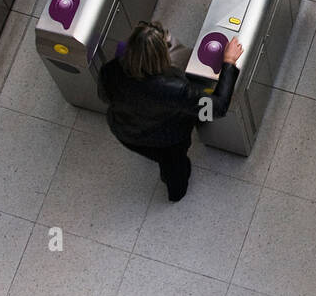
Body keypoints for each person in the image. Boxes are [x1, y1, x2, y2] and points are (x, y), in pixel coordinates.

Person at [98, 20, 241, 203]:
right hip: (166, 140)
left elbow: (104, 96)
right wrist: (229, 62)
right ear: (162, 54)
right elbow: (217, 107)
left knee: (162, 159)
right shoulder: (173, 88)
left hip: (124, 130)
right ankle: (176, 194)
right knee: (175, 169)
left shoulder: (111, 69)